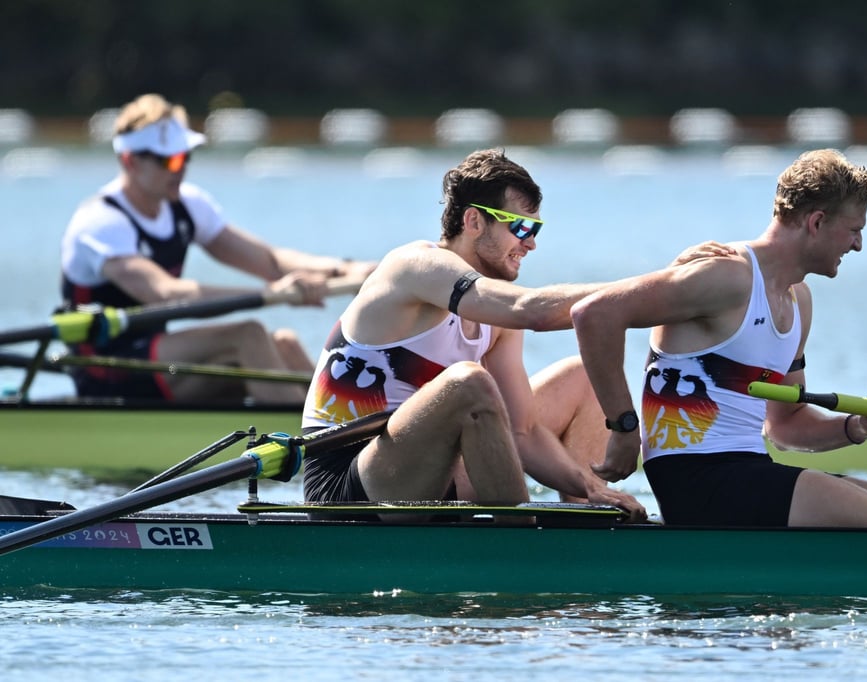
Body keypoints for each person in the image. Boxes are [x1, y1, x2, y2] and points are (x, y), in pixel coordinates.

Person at [300, 148, 728, 520]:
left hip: (432, 470)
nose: (531, 244)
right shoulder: (414, 266)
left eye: (535, 230)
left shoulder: (495, 317)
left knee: (580, 378)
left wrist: (590, 486)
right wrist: (663, 284)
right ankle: (521, 541)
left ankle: (589, 524)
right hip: (349, 479)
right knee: (468, 382)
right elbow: (532, 310)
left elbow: (523, 433)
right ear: (473, 221)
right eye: (520, 228)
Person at [570, 148, 867, 529]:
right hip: (695, 480)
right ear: (816, 222)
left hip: (750, 472)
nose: (858, 244)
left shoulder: (800, 301)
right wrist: (624, 429)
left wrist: (859, 426)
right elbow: (595, 315)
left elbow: (785, 426)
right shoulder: (726, 277)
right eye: (854, 230)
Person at [60, 94, 376, 404]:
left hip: (155, 362)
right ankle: (315, 434)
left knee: (285, 344)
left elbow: (270, 261)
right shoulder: (101, 222)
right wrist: (273, 292)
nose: (180, 168)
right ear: (129, 160)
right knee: (248, 336)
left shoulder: (186, 205)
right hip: (104, 367)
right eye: (168, 159)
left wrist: (346, 270)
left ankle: (345, 425)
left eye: (186, 156)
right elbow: (165, 293)